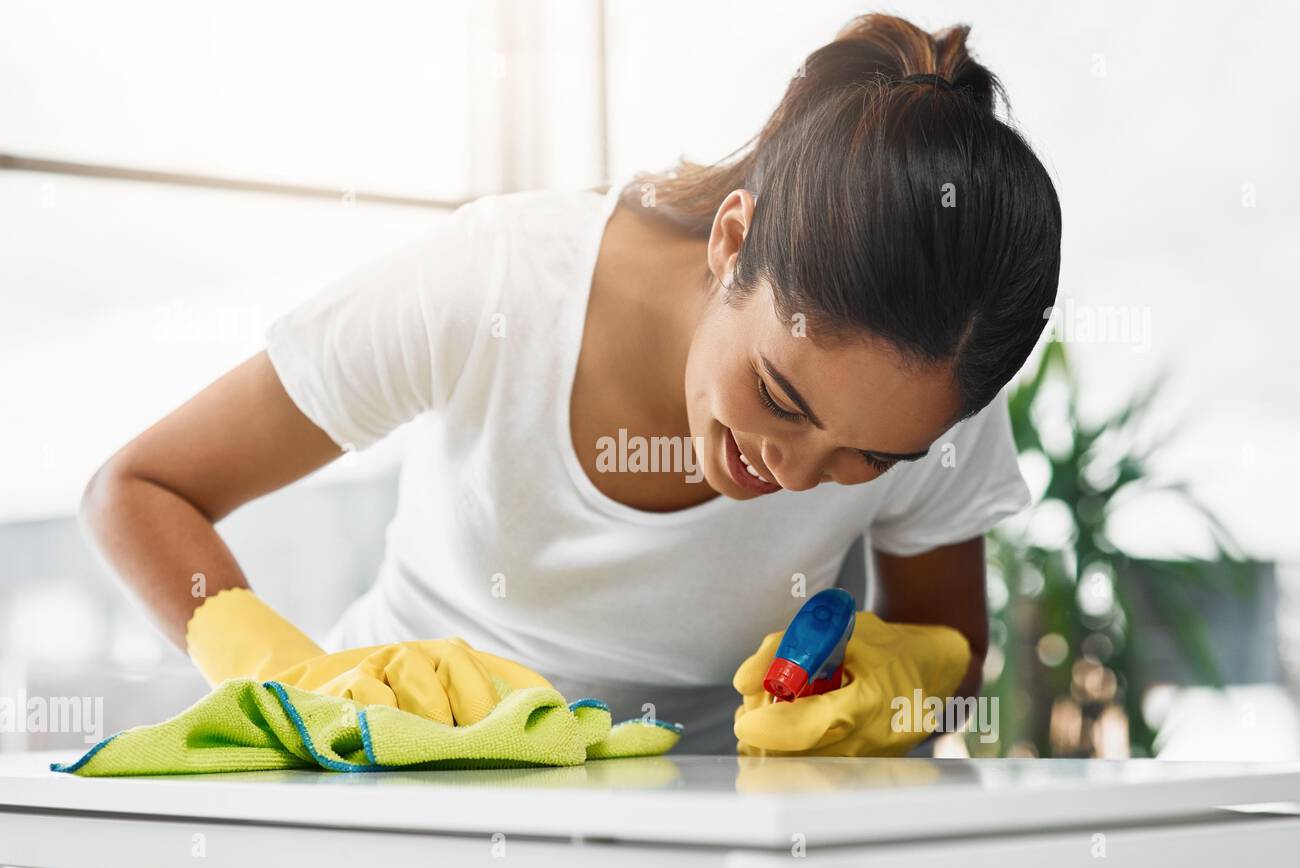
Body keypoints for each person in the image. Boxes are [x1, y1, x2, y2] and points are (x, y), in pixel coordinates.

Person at [81, 13, 1061, 765]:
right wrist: (291, 683)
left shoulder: (934, 391)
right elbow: (137, 489)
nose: (799, 473)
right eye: (782, 397)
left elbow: (952, 653)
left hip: (699, 844)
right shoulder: (496, 281)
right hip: (396, 805)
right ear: (730, 241)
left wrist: (906, 682)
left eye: (869, 459)